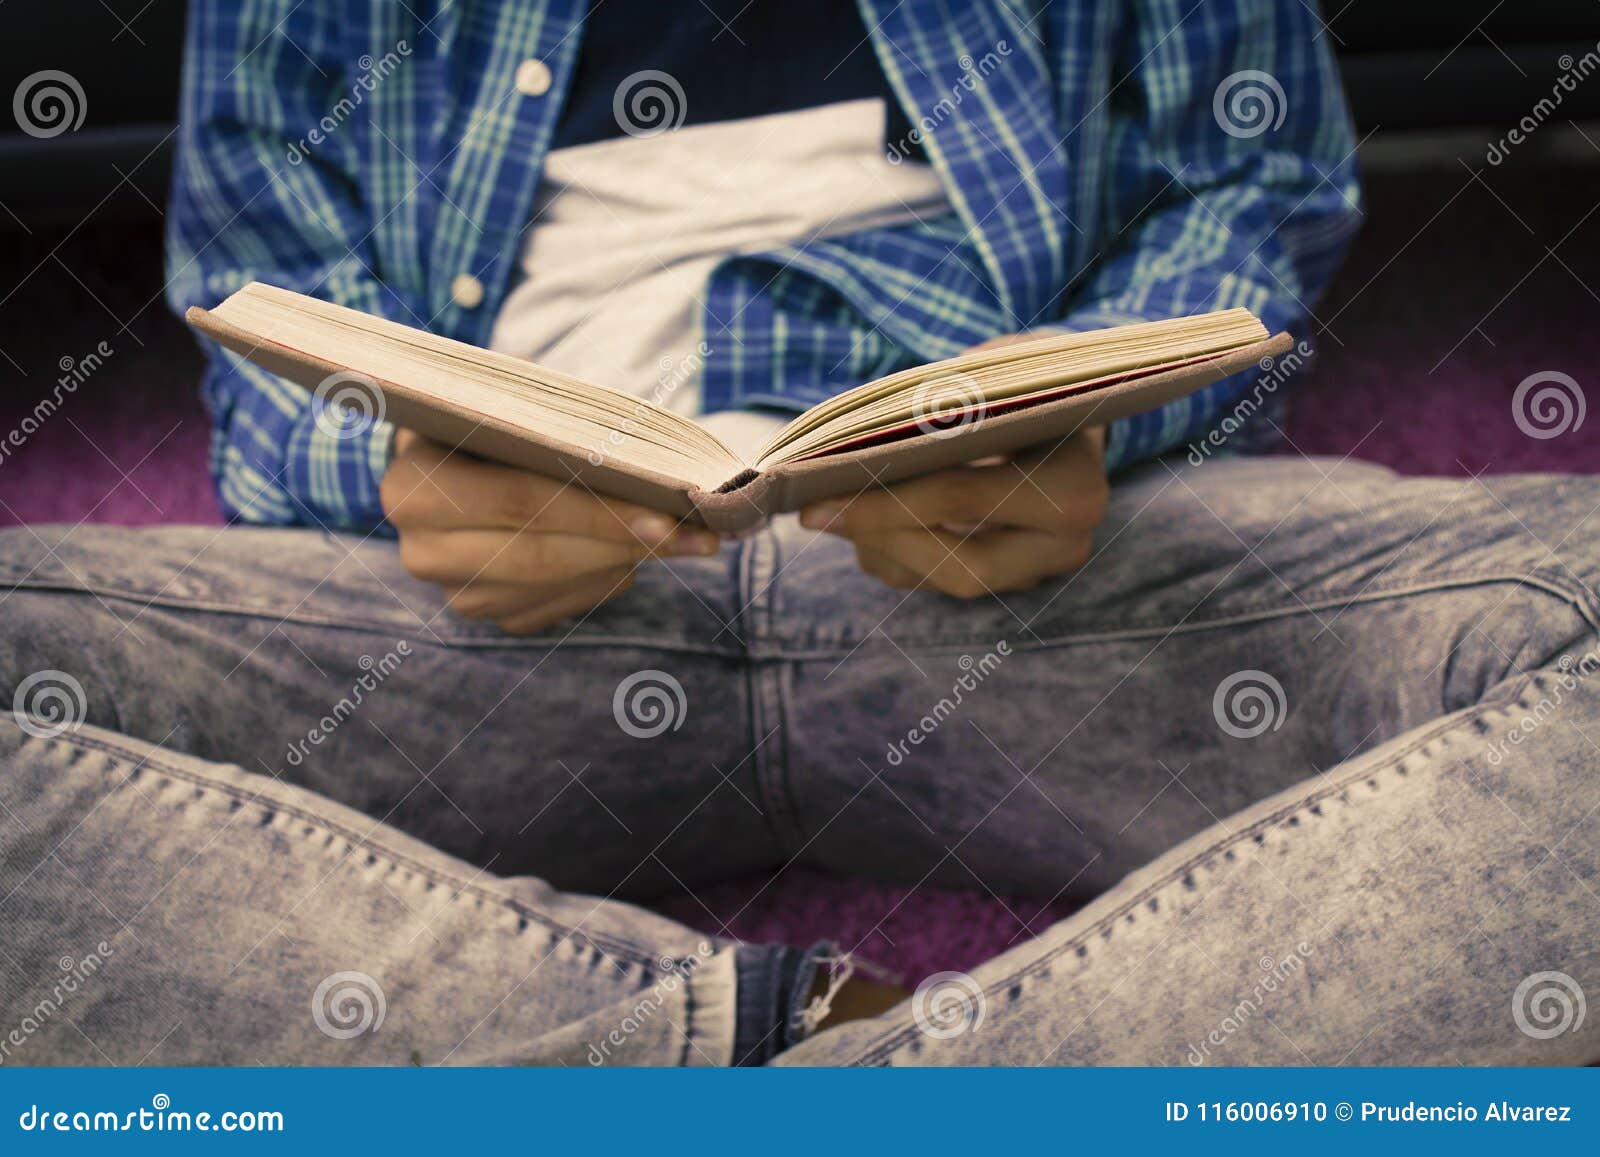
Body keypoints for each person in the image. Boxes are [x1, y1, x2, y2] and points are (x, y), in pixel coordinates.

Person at [0, 0, 1594, 1067]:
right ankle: (821, 1047)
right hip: (482, 606)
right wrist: (396, 465)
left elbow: (1250, 183)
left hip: (1025, 571)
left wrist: (1090, 416)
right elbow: (255, 262)